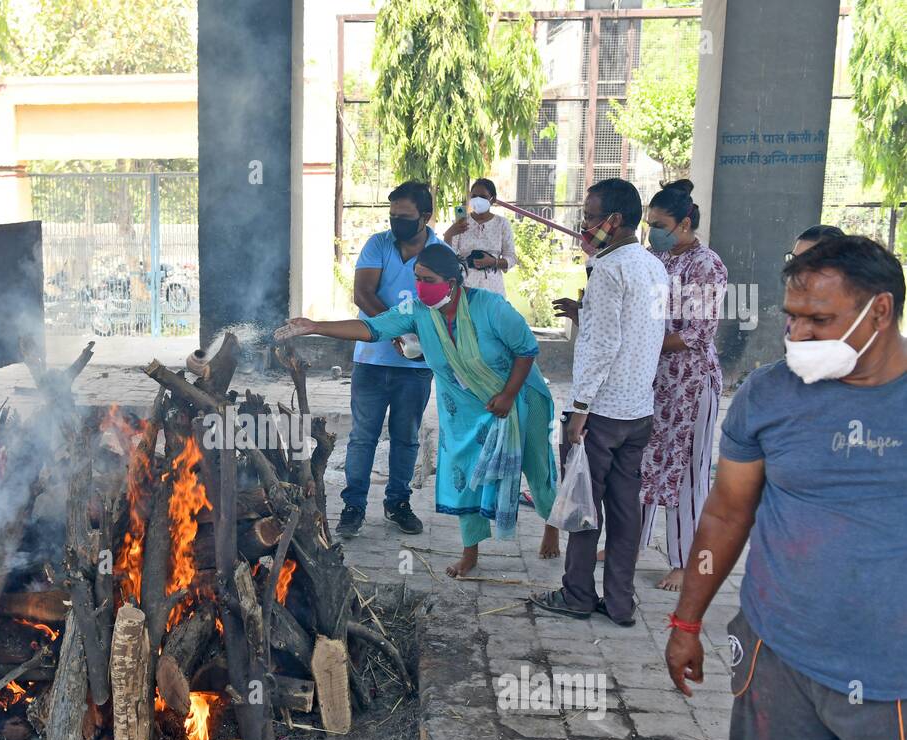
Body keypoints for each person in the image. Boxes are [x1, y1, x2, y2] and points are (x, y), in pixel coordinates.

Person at [665, 235, 907, 740]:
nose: (796, 335)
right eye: (791, 317)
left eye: (818, 320)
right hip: (778, 667)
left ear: (879, 312)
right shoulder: (769, 396)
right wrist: (686, 621)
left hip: (894, 691)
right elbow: (725, 512)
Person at [276, 244, 556, 576]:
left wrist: (509, 394)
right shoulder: (418, 310)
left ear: (452, 281)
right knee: (463, 472)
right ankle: (470, 553)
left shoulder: (492, 308)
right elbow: (372, 328)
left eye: (428, 279)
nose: (421, 286)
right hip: (463, 408)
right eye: (417, 278)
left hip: (519, 398)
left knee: (535, 466)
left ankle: (552, 524)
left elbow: (526, 350)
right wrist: (314, 326)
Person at [531, 178, 667, 627]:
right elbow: (638, 333)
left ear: (615, 220)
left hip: (601, 412)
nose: (584, 225)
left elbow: (604, 345)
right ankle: (621, 602)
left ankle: (576, 595)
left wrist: (581, 408)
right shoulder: (652, 266)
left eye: (590, 216)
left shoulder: (608, 269)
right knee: (627, 510)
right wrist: (583, 312)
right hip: (637, 410)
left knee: (582, 505)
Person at [638, 180, 726, 591]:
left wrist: (643, 342)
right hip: (655, 380)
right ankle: (631, 542)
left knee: (687, 472)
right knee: (644, 460)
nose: (652, 230)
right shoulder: (656, 256)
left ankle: (685, 560)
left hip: (691, 384)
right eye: (649, 223)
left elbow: (696, 334)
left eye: (660, 224)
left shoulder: (705, 265)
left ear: (685, 223)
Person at [340, 180, 441, 539]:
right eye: (392, 215)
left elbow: (443, 306)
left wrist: (415, 337)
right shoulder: (378, 244)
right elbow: (362, 293)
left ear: (426, 216)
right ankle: (353, 506)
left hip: (415, 366)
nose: (395, 222)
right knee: (362, 437)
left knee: (406, 438)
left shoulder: (438, 253)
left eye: (405, 216)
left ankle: (398, 502)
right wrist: (396, 331)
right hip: (370, 359)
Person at [444, 178, 517, 298]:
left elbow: (512, 257)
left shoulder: (502, 224)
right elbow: (448, 257)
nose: (477, 200)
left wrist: (494, 262)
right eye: (474, 196)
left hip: (492, 288)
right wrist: (449, 234)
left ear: (492, 199)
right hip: (466, 286)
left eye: (483, 197)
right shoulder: (461, 222)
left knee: (491, 315)